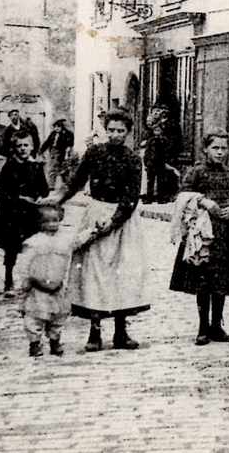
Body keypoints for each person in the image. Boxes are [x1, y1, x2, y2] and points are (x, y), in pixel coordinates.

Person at [52, 108, 149, 351]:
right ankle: (94, 333)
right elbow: (77, 181)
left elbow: (132, 196)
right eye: (111, 130)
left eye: (121, 131)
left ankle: (120, 331)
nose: (115, 135)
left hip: (122, 222)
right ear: (105, 131)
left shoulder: (133, 158)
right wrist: (58, 201)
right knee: (93, 274)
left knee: (122, 274)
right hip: (95, 214)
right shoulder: (95, 152)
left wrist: (115, 219)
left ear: (128, 132)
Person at [169, 131, 229, 345]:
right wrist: (203, 201)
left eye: (224, 148)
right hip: (202, 236)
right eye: (215, 148)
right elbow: (183, 196)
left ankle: (217, 326)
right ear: (206, 149)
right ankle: (202, 327)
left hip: (227, 236)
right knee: (203, 282)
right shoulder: (196, 172)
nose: (220, 152)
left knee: (221, 282)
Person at [0, 133, 50, 296]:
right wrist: (19, 197)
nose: (23, 149)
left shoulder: (36, 166)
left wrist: (39, 196)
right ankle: (8, 280)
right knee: (11, 247)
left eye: (26, 145)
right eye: (19, 146)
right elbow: (4, 190)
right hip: (13, 213)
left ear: (31, 147)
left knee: (36, 246)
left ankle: (36, 280)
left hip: (31, 213)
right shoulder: (10, 167)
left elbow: (44, 188)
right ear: (14, 148)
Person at [15, 202, 74, 357]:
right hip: (37, 287)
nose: (52, 225)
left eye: (55, 221)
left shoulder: (63, 240)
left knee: (57, 316)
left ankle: (55, 341)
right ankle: (34, 343)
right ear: (39, 223)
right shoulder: (33, 243)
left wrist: (92, 231)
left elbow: (77, 242)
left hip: (57, 285)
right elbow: (23, 265)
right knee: (35, 317)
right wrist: (23, 285)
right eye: (47, 221)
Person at [141, 106, 180, 204]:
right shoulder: (151, 141)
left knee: (161, 182)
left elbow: (166, 152)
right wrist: (146, 162)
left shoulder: (164, 141)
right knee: (150, 181)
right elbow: (148, 153)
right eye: (155, 130)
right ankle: (149, 198)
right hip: (151, 164)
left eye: (159, 130)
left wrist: (166, 162)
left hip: (160, 164)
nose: (157, 132)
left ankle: (160, 198)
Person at [38, 117, 75, 190]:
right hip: (53, 152)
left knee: (64, 169)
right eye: (55, 127)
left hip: (62, 152)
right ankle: (51, 185)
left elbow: (70, 142)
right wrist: (41, 151)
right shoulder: (53, 134)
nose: (57, 128)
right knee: (52, 168)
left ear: (61, 127)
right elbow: (47, 143)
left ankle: (66, 184)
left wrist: (68, 149)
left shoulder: (66, 134)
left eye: (58, 127)